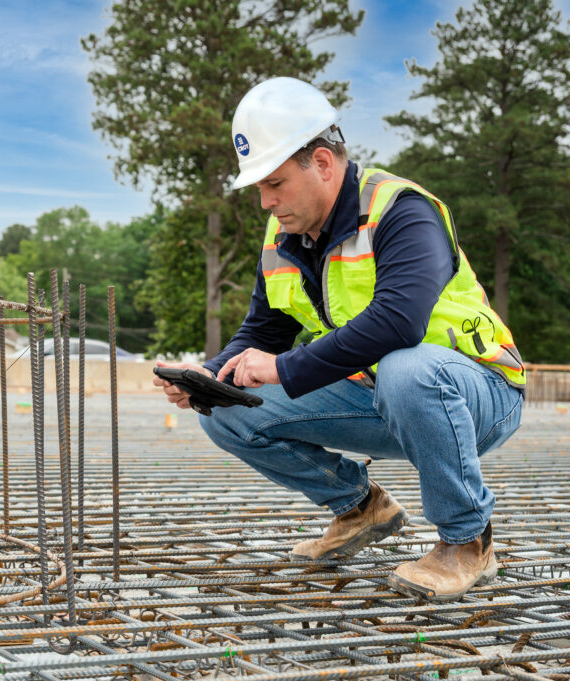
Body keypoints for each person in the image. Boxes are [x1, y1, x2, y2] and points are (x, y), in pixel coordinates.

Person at [154, 77, 526, 603]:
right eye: (259, 187)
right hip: (384, 395)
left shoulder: (401, 211)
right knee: (229, 408)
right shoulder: (282, 237)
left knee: (408, 368)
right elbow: (264, 330)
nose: (265, 201)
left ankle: (467, 543)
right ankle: (359, 507)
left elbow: (399, 324)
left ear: (323, 164)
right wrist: (209, 375)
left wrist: (284, 369)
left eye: (275, 183)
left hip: (478, 391)